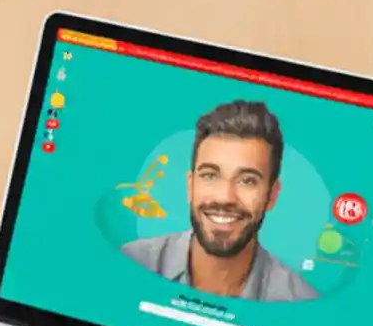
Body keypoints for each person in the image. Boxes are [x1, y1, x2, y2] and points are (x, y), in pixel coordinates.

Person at [122, 100, 318, 302]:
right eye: (210, 175)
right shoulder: (129, 265)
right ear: (190, 186)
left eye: (247, 180)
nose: (224, 197)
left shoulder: (301, 303)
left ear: (272, 195)